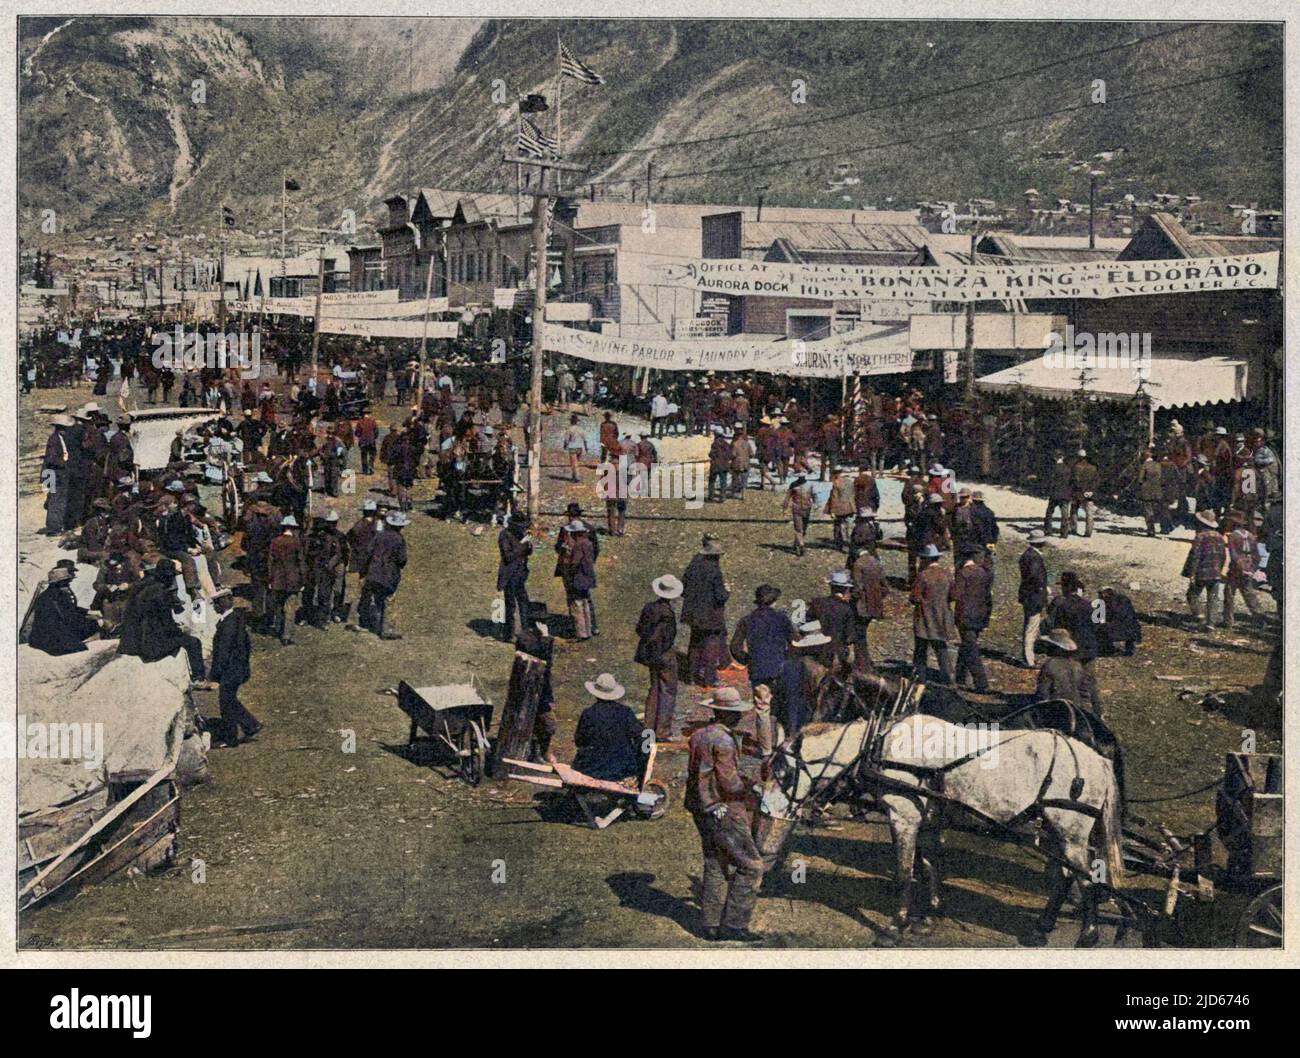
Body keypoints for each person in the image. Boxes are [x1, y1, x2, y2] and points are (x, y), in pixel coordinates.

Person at [685, 687, 765, 942]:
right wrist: (751, 784)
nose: (740, 717)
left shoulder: (699, 735)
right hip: (724, 808)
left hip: (701, 807)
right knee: (752, 866)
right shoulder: (724, 741)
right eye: (736, 713)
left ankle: (710, 923)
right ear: (728, 714)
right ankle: (734, 925)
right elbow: (729, 783)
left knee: (715, 861)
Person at [729, 585, 795, 747]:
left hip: (759, 670)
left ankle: (765, 749)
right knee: (782, 707)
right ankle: (782, 745)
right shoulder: (782, 618)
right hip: (781, 669)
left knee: (762, 709)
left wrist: (747, 660)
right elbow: (794, 642)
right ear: (774, 601)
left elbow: (735, 646)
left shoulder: (747, 620)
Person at [117, 560, 206, 678]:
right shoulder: (161, 593)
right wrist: (181, 631)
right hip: (151, 645)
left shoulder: (146, 586)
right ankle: (198, 678)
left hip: (135, 640)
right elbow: (168, 625)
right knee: (194, 642)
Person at [208, 588, 262, 745]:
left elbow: (223, 653)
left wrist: (215, 674)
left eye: (216, 603)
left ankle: (230, 738)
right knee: (230, 700)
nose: (214, 607)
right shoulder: (236, 619)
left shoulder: (228, 624)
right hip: (238, 668)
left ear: (223, 603)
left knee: (226, 704)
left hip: (230, 671)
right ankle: (250, 725)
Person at [1045, 570, 1103, 713]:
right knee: (1090, 681)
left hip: (1073, 648)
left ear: (1065, 588)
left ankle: (1075, 711)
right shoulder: (1089, 605)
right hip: (1090, 648)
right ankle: (1097, 711)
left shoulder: (1062, 606)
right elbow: (1097, 626)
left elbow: (1056, 628)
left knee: (1073, 681)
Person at [571, 672, 646, 781]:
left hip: (591, 769)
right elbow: (641, 736)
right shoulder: (626, 713)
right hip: (621, 769)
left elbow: (579, 741)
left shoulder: (588, 713)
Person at [634, 575, 681, 742]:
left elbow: (639, 629)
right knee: (668, 690)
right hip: (664, 654)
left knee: (654, 689)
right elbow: (668, 637)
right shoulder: (667, 614)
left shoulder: (649, 608)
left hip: (650, 654)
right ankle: (662, 730)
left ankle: (649, 726)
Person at [682, 534, 730, 685]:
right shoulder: (714, 571)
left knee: (694, 643)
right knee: (711, 646)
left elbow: (683, 587)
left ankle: (690, 675)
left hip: (693, 613)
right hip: (710, 616)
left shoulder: (693, 564)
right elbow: (720, 596)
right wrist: (727, 591)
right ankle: (710, 679)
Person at [24, 566, 100, 656]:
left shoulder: (53, 593)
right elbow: (68, 616)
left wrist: (89, 612)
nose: (69, 583)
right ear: (59, 582)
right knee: (81, 642)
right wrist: (89, 618)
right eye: (66, 581)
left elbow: (70, 609)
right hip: (50, 633)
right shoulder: (55, 596)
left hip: (50, 629)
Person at [910, 543, 956, 684]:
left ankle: (920, 678)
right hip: (942, 615)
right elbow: (953, 595)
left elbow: (914, 598)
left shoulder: (923, 576)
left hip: (924, 616)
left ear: (925, 559)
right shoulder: (947, 574)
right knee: (941, 648)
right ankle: (948, 678)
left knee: (921, 650)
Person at [360, 511, 409, 639]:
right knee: (387, 600)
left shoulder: (379, 536)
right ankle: (386, 629)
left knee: (376, 599)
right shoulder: (399, 540)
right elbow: (402, 560)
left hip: (373, 572)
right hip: (389, 575)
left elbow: (368, 552)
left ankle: (372, 624)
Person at [952, 546, 993, 693]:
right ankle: (960, 677)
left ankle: (981, 683)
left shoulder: (963, 574)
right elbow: (988, 596)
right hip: (980, 615)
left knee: (970, 648)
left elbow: (956, 594)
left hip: (965, 616)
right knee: (967, 644)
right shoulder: (984, 573)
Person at [1034, 630, 1100, 716]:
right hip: (1080, 711)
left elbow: (1043, 694)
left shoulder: (1049, 665)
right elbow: (1090, 692)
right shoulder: (1078, 666)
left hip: (1059, 711)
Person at [1182, 508, 1229, 630]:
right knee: (1213, 597)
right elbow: (1223, 556)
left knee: (1192, 594)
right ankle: (1211, 623)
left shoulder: (1200, 537)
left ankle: (1199, 615)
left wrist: (1191, 573)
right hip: (1215, 572)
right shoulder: (1219, 537)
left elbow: (1194, 556)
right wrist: (1219, 569)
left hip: (1201, 572)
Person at [809, 569, 856, 673]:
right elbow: (849, 637)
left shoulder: (817, 603)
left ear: (831, 587)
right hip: (835, 653)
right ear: (845, 589)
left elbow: (806, 626)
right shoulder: (846, 609)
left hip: (815, 650)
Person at [851, 540, 888, 672]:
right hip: (875, 606)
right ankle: (865, 661)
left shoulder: (858, 564)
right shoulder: (877, 562)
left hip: (862, 607)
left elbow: (857, 588)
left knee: (859, 635)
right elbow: (885, 587)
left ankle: (862, 663)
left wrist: (852, 599)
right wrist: (877, 598)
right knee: (863, 633)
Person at [267, 514, 305, 645]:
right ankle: (286, 635)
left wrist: (270, 579)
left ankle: (278, 628)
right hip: (292, 579)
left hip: (277, 578)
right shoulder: (296, 542)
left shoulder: (274, 541)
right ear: (293, 528)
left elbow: (270, 562)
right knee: (290, 607)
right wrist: (302, 580)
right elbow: (301, 563)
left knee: (278, 605)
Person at [496, 515, 533, 642]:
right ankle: (509, 633)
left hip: (520, 572)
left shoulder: (521, 534)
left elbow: (529, 551)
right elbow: (508, 556)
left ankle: (524, 629)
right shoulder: (504, 535)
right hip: (510, 574)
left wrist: (528, 544)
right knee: (511, 604)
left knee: (523, 602)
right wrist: (522, 545)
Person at [1223, 512, 1263, 628]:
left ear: (1234, 523)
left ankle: (1228, 622)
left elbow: (1233, 555)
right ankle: (1260, 619)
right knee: (1249, 594)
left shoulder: (1232, 536)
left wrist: (1240, 567)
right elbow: (1257, 555)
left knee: (1229, 594)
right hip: (1249, 566)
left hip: (1236, 568)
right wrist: (1253, 569)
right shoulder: (1251, 536)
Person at [559, 520, 597, 640]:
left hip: (578, 577)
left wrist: (568, 569)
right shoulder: (588, 543)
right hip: (587, 576)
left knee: (576, 604)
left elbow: (575, 562)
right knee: (585, 603)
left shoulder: (578, 545)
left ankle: (581, 633)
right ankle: (588, 629)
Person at [1018, 529, 1050, 667]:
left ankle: (1027, 655)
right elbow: (1035, 577)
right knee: (1031, 628)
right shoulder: (1035, 558)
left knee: (1028, 626)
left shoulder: (1026, 555)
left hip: (1027, 595)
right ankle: (1029, 659)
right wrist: (1043, 588)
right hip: (1034, 596)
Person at [1097, 586, 1142, 656]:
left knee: (1101, 629)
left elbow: (1115, 616)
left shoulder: (1115, 602)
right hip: (1131, 629)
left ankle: (1109, 649)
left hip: (1123, 628)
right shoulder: (1122, 599)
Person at [824, 466, 856, 550]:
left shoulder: (836, 483)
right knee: (848, 525)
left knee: (841, 525)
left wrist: (832, 511)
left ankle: (843, 544)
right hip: (850, 507)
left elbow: (834, 498)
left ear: (835, 473)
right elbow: (853, 494)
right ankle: (849, 542)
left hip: (840, 508)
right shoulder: (849, 481)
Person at [1069, 449, 1099, 537]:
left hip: (1077, 492)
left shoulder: (1075, 467)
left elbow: (1073, 481)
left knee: (1074, 510)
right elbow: (1096, 481)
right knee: (1089, 513)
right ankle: (1088, 531)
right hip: (1089, 493)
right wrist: (1091, 491)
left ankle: (1073, 528)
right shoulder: (1093, 468)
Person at [783, 475, 815, 557]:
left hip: (807, 509)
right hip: (796, 509)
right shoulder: (793, 485)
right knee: (798, 529)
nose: (801, 479)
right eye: (800, 477)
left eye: (803, 477)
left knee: (803, 529)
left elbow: (814, 495)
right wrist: (785, 507)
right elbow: (788, 496)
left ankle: (796, 544)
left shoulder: (810, 485)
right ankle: (801, 546)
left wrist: (816, 505)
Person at [1137, 447, 1165, 536]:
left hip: (1146, 491)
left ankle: (1151, 530)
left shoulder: (1144, 465)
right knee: (1156, 510)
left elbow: (1140, 479)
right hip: (1157, 491)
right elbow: (1161, 478)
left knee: (1148, 511)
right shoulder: (1158, 465)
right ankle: (1162, 527)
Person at [1044, 452, 1071, 538]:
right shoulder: (1068, 469)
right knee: (1065, 514)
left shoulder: (1053, 469)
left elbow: (1051, 482)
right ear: (1063, 457)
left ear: (1055, 458)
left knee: (1049, 512)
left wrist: (1047, 491)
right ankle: (1064, 533)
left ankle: (1048, 530)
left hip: (1055, 493)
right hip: (1065, 494)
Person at [562, 414, 586, 483]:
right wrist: (586, 447)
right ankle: (573, 476)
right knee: (576, 462)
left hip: (572, 447)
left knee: (574, 463)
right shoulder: (580, 429)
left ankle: (577, 477)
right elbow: (584, 439)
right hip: (579, 448)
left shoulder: (569, 429)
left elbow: (566, 439)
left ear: (571, 421)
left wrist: (565, 446)